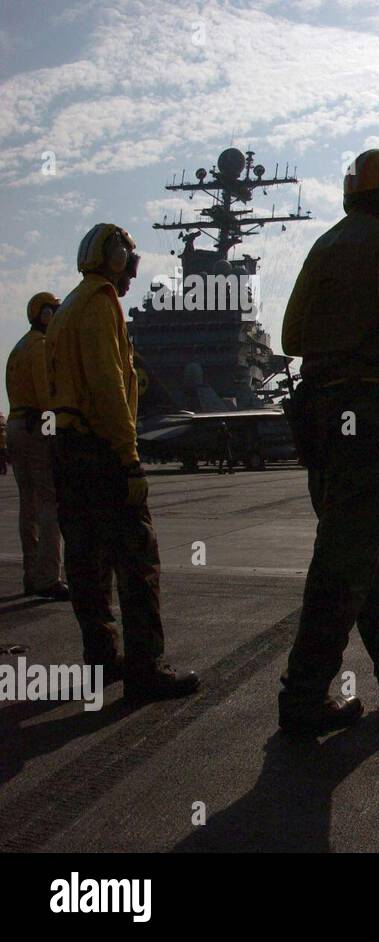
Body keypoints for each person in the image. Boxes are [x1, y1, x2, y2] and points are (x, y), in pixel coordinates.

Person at [278, 148, 379, 735]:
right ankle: (303, 696)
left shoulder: (325, 244)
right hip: (365, 413)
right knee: (345, 559)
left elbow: (291, 334)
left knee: (362, 549)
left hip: (318, 416)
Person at [45, 223, 200, 702]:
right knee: (137, 560)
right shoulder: (101, 302)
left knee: (86, 561)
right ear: (114, 259)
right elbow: (110, 386)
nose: (132, 276)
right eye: (130, 265)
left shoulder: (68, 306)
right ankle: (145, 669)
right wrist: (130, 460)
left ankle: (101, 658)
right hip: (101, 452)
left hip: (67, 452)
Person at [5, 292, 69, 599]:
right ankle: (48, 577)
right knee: (49, 502)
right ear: (43, 314)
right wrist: (55, 435)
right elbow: (47, 399)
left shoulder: (18, 347)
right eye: (53, 312)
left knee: (27, 504)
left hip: (15, 426)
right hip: (36, 427)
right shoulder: (41, 347)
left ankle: (31, 575)